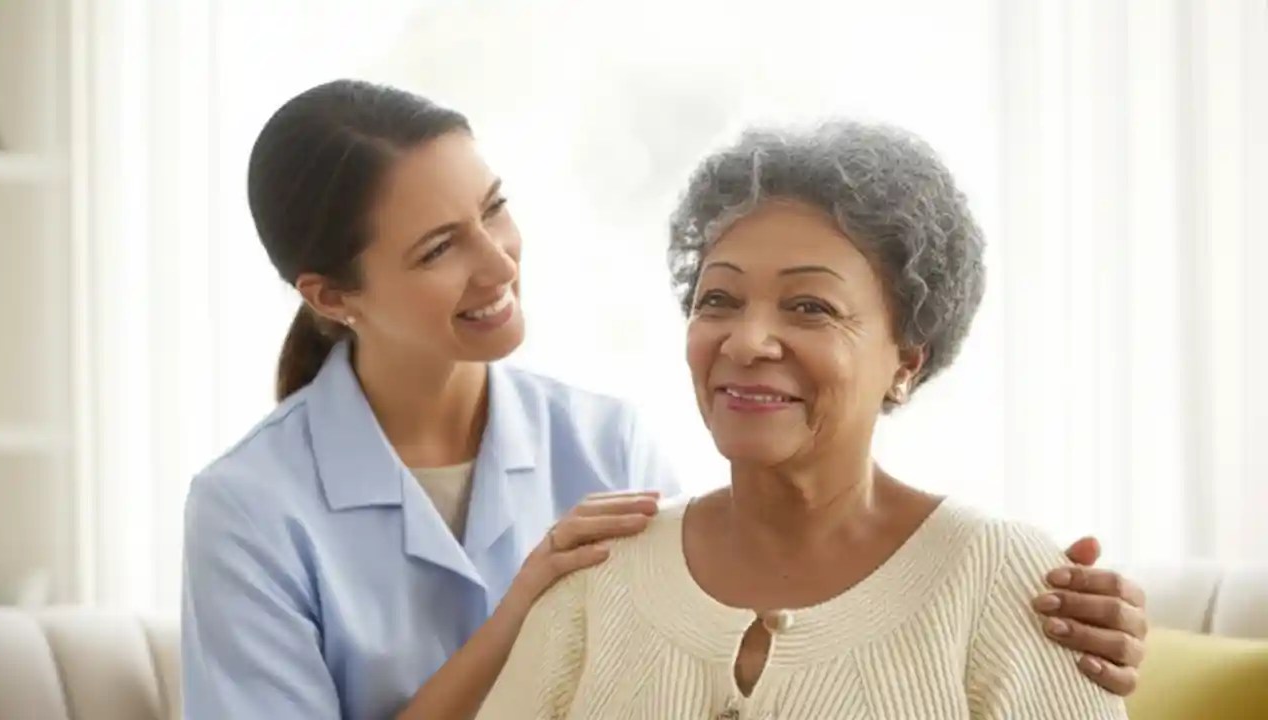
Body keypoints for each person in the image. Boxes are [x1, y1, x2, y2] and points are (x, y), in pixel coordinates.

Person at [181, 80, 1147, 720]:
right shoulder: (252, 505)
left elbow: (768, 571)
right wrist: (527, 604)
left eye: (493, 209)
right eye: (438, 249)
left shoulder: (604, 439)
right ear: (331, 296)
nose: (497, 260)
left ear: (910, 353)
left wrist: (1051, 614)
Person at [476, 120, 1142, 719]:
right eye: (719, 299)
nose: (745, 342)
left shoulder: (1004, 580)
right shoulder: (602, 570)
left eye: (810, 308)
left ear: (906, 360)